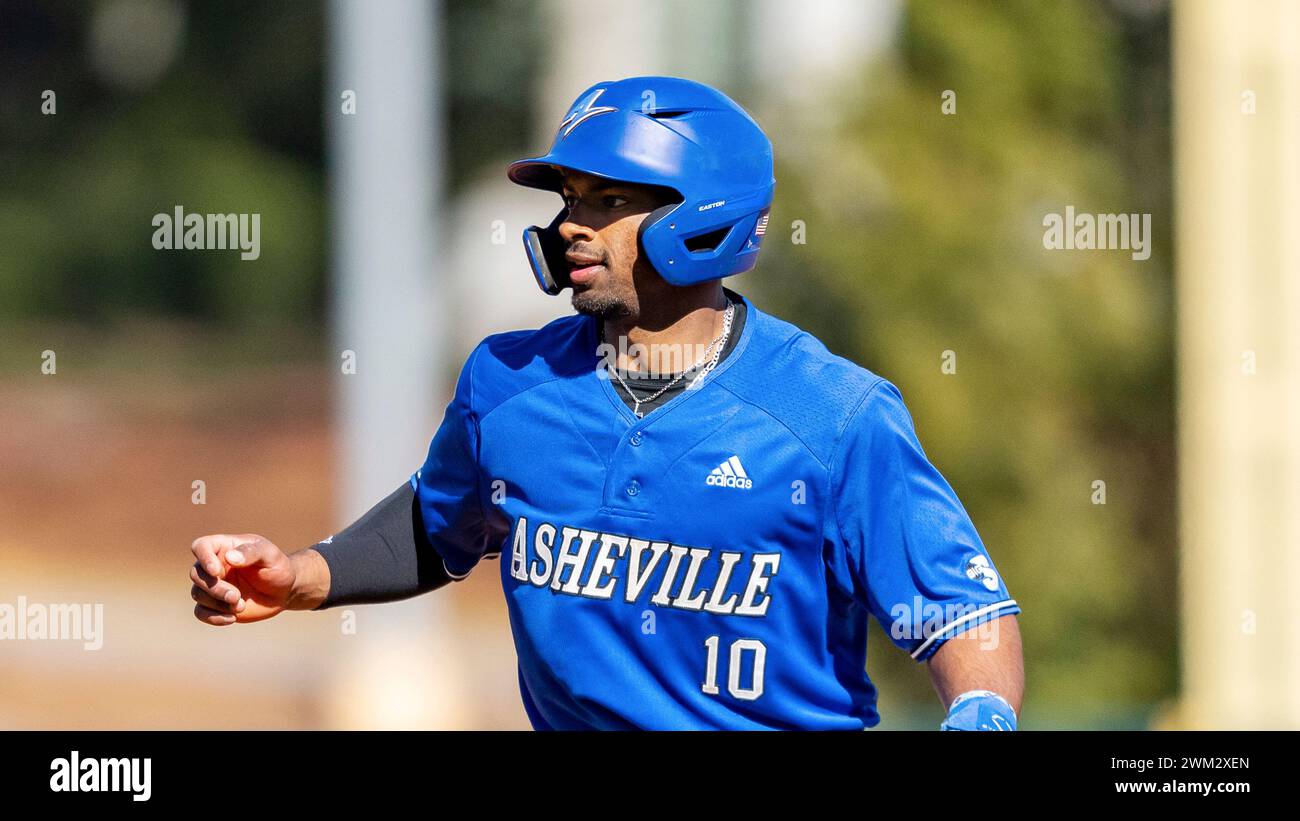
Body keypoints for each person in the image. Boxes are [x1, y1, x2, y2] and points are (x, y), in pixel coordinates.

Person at [188, 76, 1023, 731]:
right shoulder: (507, 386)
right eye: (568, 200)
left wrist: (980, 711)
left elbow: (962, 612)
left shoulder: (833, 416)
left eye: (607, 201)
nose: (570, 227)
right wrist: (299, 576)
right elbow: (438, 521)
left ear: (706, 217)